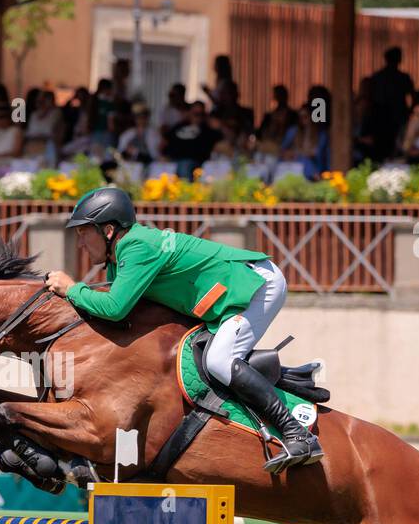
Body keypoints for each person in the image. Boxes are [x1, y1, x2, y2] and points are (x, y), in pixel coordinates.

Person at [43, 188, 322, 472]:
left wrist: (72, 289)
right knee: (210, 357)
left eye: (83, 233)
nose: (79, 243)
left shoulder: (137, 246)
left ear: (109, 230)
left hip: (257, 286)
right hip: (230, 296)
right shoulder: (121, 257)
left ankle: (297, 433)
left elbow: (114, 308)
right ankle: (286, 378)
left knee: (218, 360)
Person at [366, 47, 415, 160]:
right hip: (383, 115)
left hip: (392, 115)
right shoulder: (380, 77)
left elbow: (413, 96)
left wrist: (409, 111)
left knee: (395, 143)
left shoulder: (398, 78)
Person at [164, 102, 221, 179]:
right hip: (173, 159)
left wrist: (216, 126)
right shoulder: (179, 126)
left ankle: (186, 189)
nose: (198, 117)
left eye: (201, 114)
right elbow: (165, 141)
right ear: (190, 112)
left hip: (194, 161)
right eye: (196, 113)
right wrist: (164, 155)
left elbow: (218, 142)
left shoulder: (206, 129)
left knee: (185, 165)